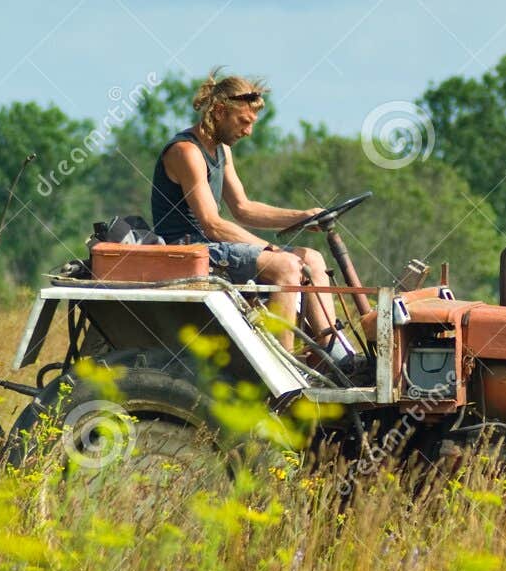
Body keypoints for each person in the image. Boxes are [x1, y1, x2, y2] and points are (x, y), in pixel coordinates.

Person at [150, 71, 356, 362]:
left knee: (312, 258)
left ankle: (333, 354)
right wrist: (269, 250)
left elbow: (243, 208)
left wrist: (302, 216)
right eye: (243, 122)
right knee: (285, 266)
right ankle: (285, 367)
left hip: (212, 247)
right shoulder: (187, 152)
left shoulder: (220, 150)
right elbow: (212, 224)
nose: (248, 131)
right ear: (220, 111)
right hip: (188, 250)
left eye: (251, 123)